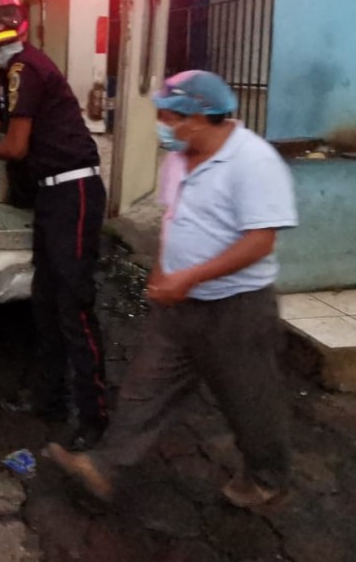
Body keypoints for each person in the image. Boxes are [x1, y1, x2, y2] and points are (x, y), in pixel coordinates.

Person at [46, 70, 298, 509]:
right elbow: (172, 219)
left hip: (235, 309)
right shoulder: (179, 159)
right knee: (144, 388)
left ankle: (266, 478)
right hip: (178, 306)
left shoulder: (254, 162)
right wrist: (163, 271)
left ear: (201, 117)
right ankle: (105, 468)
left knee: (249, 401)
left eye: (170, 115)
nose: (162, 123)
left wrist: (191, 277)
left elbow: (261, 241)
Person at [0, 0, 109, 451]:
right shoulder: (14, 72)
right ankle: (49, 398)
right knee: (45, 303)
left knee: (74, 307)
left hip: (74, 193)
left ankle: (94, 417)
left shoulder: (25, 69)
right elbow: (10, 121)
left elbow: (17, 147)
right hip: (53, 195)